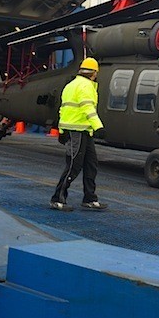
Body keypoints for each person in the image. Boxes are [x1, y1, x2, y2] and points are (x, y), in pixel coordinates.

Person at [50, 57, 108, 211]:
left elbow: (63, 109)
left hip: (81, 131)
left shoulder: (70, 85)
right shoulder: (86, 86)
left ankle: (89, 198)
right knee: (73, 166)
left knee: (91, 164)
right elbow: (87, 107)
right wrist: (99, 127)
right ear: (94, 73)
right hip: (78, 131)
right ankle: (58, 199)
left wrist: (62, 130)